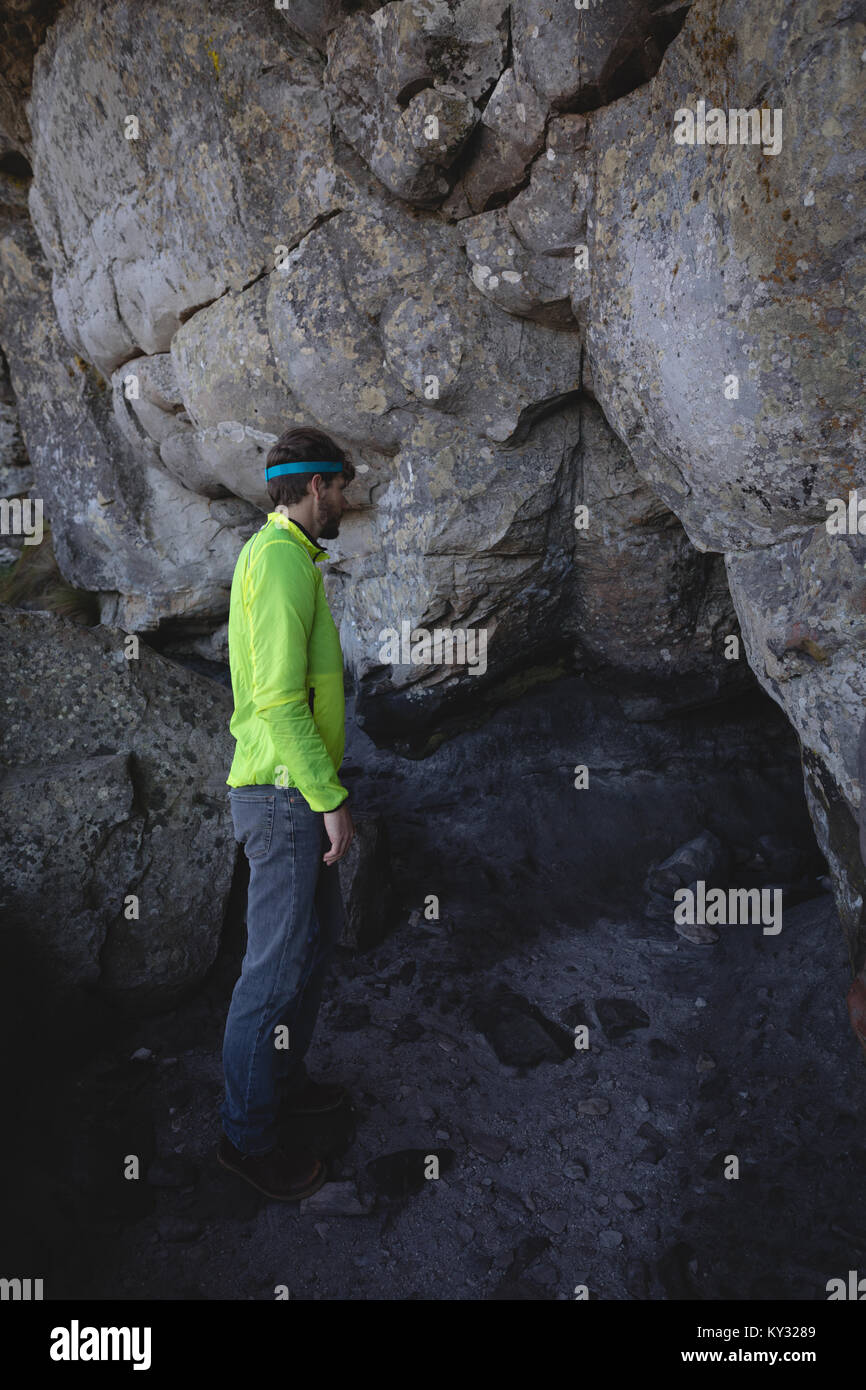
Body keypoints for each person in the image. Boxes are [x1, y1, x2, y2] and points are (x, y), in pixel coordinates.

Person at [217, 426, 356, 1201]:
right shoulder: (277, 563)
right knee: (270, 973)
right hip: (283, 797)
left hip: (293, 790)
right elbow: (275, 699)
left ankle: (281, 1080)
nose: (345, 498)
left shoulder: (291, 558)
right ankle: (247, 1139)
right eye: (339, 484)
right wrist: (327, 797)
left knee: (312, 945)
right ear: (313, 487)